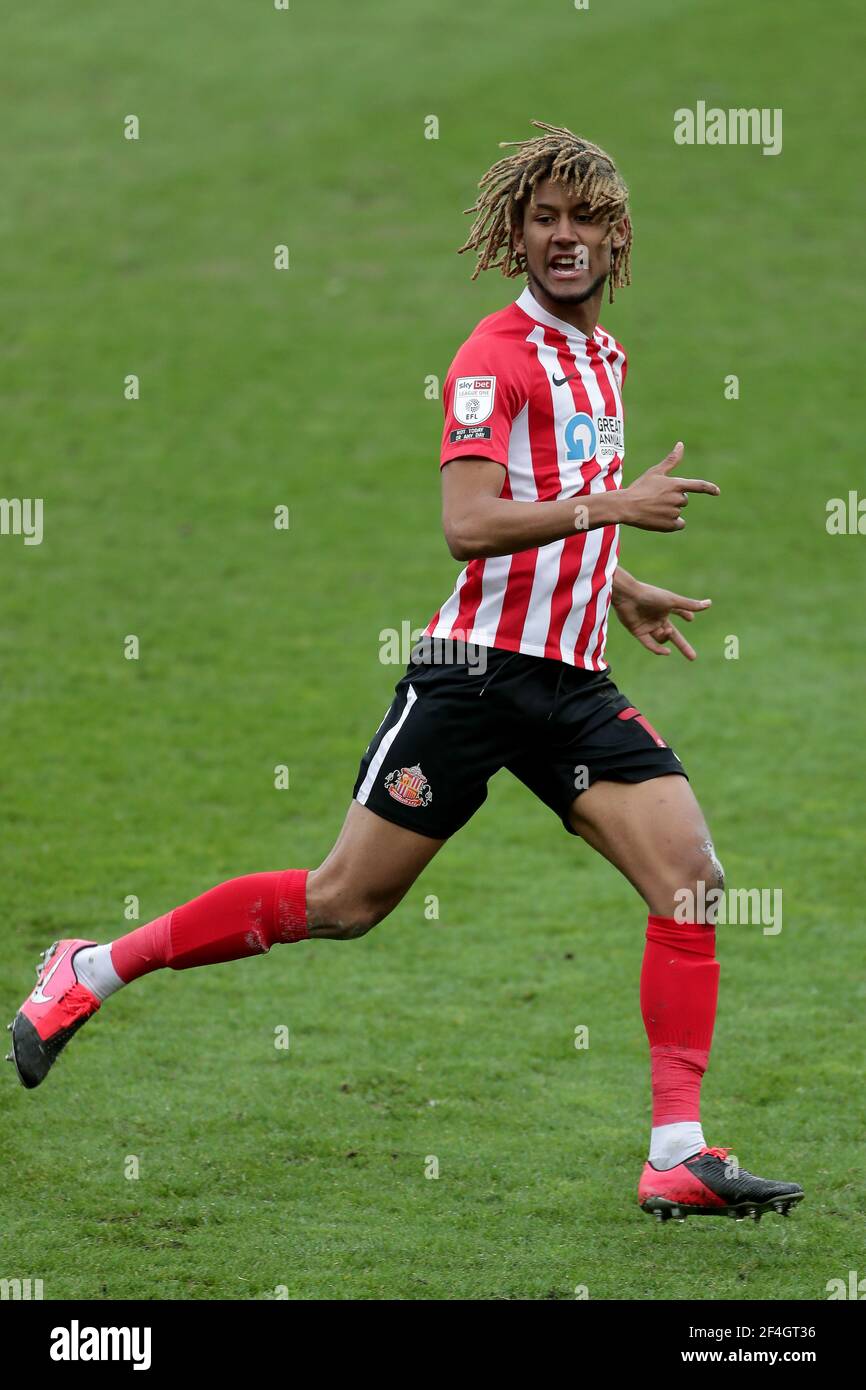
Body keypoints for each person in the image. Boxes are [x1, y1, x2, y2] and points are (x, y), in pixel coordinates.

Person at [9, 121, 803, 1223]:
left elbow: (552, 494)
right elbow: (467, 524)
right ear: (514, 236)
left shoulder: (602, 358)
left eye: (582, 219)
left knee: (690, 878)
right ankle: (87, 968)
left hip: (568, 682)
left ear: (617, 237)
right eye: (542, 220)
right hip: (471, 677)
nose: (561, 237)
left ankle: (676, 1149)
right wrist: (613, 509)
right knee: (344, 902)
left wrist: (611, 580)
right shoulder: (492, 359)